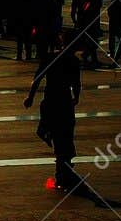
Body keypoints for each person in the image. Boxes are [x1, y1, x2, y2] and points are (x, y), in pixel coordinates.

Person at [25, 35, 85, 192]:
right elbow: (76, 83)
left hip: (51, 101)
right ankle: (64, 172)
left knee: (59, 138)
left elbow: (37, 78)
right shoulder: (73, 62)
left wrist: (30, 97)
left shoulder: (51, 58)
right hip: (63, 102)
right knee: (65, 137)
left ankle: (62, 172)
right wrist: (76, 97)